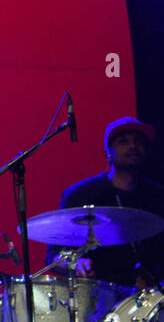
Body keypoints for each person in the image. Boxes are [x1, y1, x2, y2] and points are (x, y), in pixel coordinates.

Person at [46, 116, 164, 290]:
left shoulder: (158, 195)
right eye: (123, 141)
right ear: (107, 152)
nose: (133, 146)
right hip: (101, 298)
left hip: (153, 296)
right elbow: (54, 257)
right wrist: (76, 264)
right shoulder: (81, 194)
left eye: (138, 141)